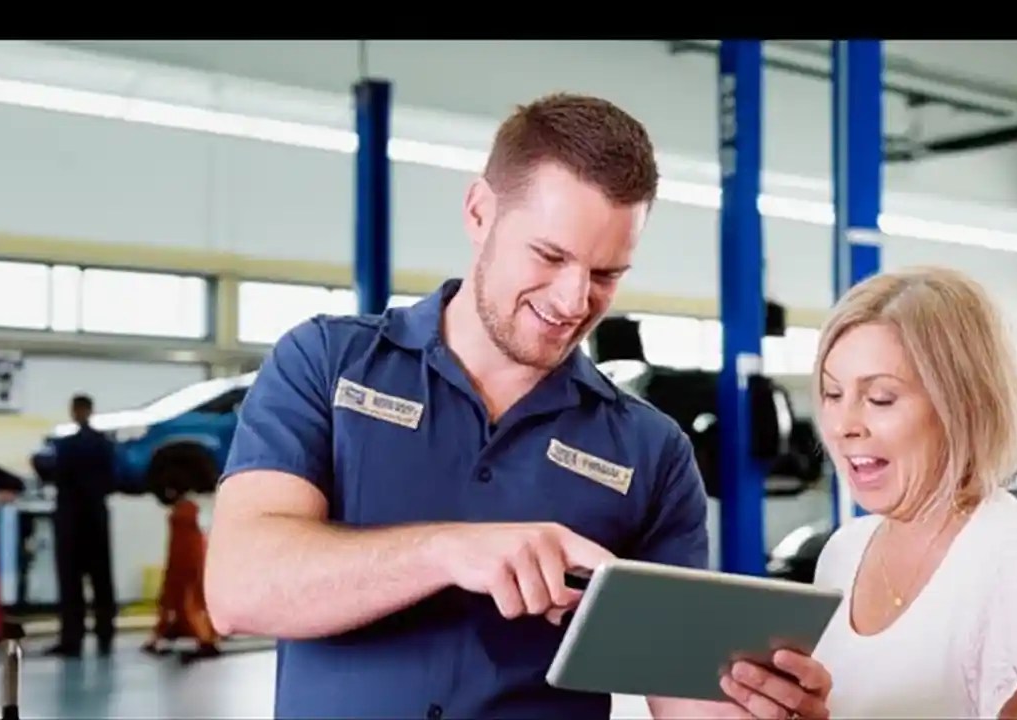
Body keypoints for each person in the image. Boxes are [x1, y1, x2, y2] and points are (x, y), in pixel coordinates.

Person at [205, 92, 831, 719]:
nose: (573, 300)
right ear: (480, 212)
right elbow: (239, 590)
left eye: (606, 274)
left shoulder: (651, 451)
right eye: (550, 256)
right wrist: (449, 551)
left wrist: (763, 703)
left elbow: (683, 698)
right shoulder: (326, 363)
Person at [776, 266, 1017, 718]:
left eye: (880, 397)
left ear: (962, 405)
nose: (843, 426)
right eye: (831, 394)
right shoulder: (843, 553)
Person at [44, 393, 118, 657]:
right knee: (102, 577)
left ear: (75, 411)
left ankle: (72, 638)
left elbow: (51, 472)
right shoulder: (105, 445)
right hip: (97, 516)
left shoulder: (64, 446)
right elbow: (113, 479)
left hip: (71, 519)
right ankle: (105, 632)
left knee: (71, 581)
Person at [141, 473, 222, 661]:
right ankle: (201, 634)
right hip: (190, 557)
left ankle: (202, 637)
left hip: (183, 558)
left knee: (184, 596)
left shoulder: (183, 510)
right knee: (190, 596)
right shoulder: (193, 507)